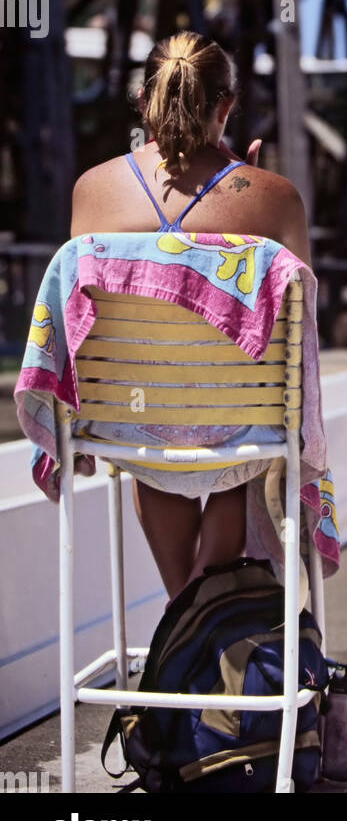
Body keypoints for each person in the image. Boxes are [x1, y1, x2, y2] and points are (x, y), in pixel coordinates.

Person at [70, 31, 310, 599]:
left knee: (158, 406)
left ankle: (184, 615)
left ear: (144, 103)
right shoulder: (274, 197)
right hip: (242, 431)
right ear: (225, 106)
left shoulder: (91, 191)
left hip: (131, 425)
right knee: (245, 423)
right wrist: (245, 182)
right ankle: (197, 627)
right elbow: (300, 326)